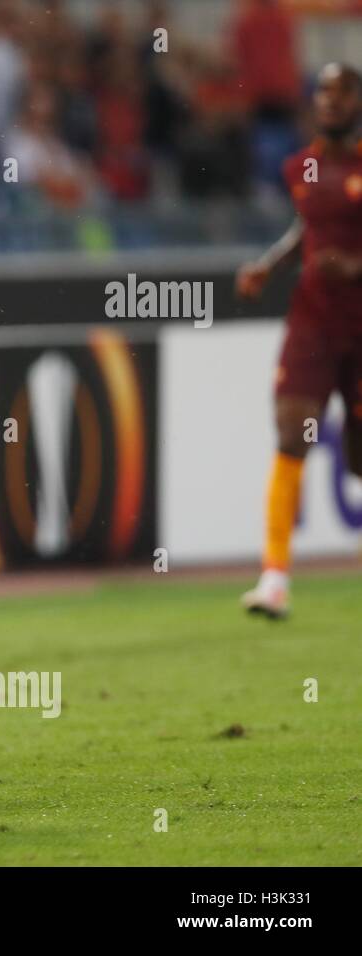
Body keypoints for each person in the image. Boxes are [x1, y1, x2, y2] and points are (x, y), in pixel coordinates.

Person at [236, 63, 362, 618]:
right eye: (323, 92)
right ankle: (275, 579)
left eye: (342, 92)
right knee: (291, 431)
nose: (330, 102)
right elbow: (307, 229)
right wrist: (269, 265)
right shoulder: (302, 167)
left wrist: (356, 268)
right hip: (312, 322)